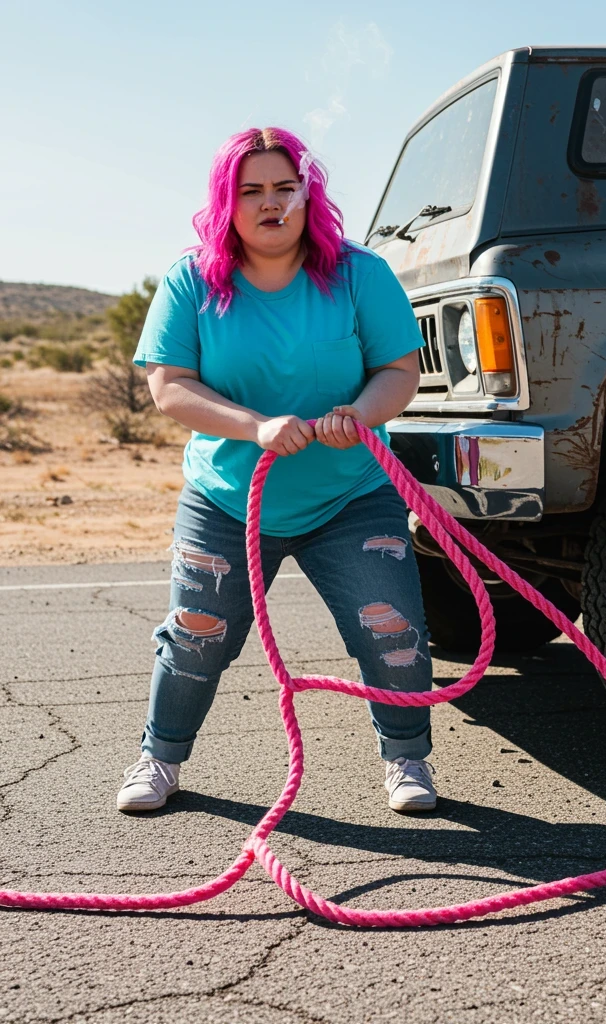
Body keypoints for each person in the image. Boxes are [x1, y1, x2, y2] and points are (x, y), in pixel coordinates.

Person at [116, 126, 437, 815]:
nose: (270, 203)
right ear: (226, 202)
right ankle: (160, 758)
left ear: (306, 194)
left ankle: (407, 758)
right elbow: (169, 385)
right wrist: (255, 427)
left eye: (284, 188)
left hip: (350, 495)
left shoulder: (360, 274)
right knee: (194, 638)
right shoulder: (190, 281)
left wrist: (358, 412)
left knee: (393, 631)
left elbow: (399, 371)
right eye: (250, 189)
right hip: (228, 498)